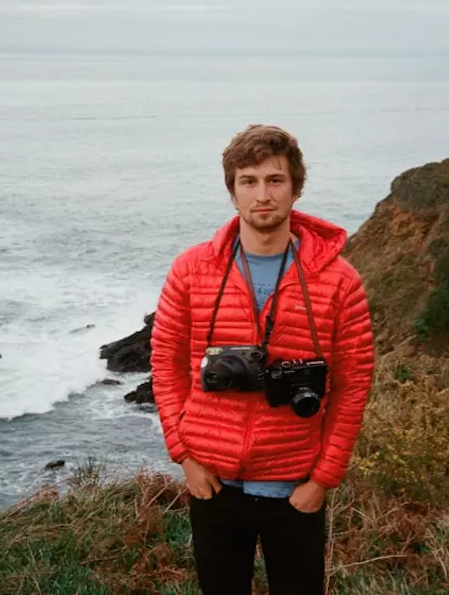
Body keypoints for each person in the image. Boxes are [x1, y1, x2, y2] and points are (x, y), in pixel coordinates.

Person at [150, 124, 375, 595]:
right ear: (232, 191)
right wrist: (185, 456)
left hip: (294, 488)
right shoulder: (192, 270)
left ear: (295, 188)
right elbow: (166, 365)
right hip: (212, 483)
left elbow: (353, 385)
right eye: (248, 181)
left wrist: (321, 480)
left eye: (275, 180)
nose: (262, 195)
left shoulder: (339, 281)